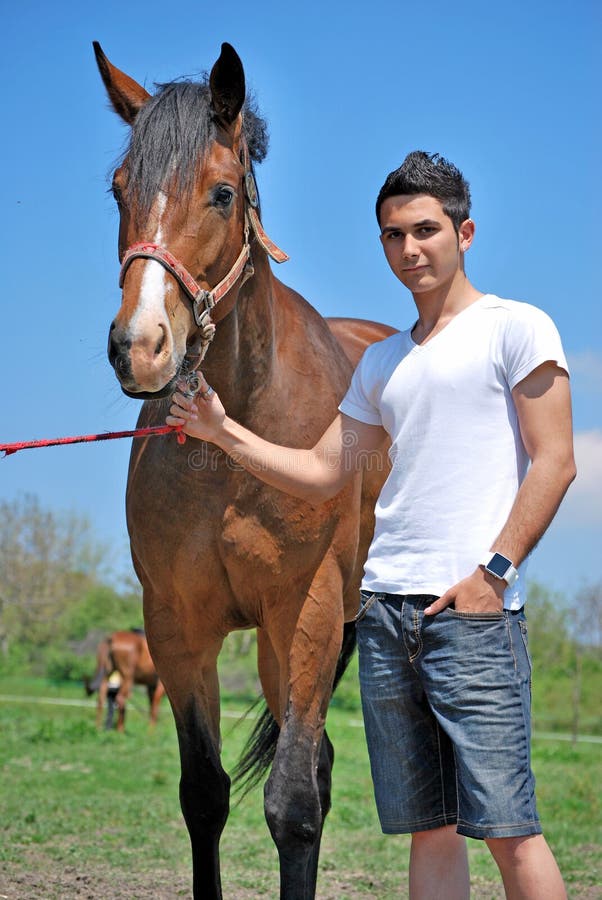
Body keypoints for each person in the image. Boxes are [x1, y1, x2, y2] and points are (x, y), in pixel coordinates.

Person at [167, 150, 575, 899]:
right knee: (431, 829)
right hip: (386, 615)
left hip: (472, 613)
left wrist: (495, 575)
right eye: (393, 235)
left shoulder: (517, 328)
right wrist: (224, 432)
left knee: (511, 831)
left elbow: (555, 462)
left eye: (426, 230)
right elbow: (324, 472)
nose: (410, 250)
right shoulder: (383, 362)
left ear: (466, 232)